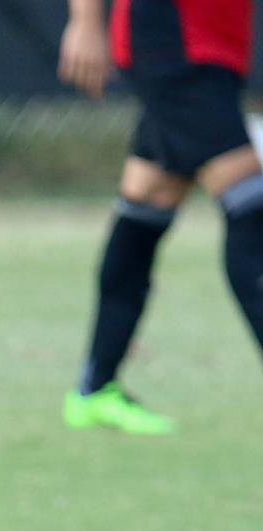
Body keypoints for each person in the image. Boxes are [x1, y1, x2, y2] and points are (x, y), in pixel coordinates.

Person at [59, 0, 262, 434]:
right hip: (173, 38)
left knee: (148, 200)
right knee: (252, 211)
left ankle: (95, 389)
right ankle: (94, 388)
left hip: (214, 46)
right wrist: (84, 21)